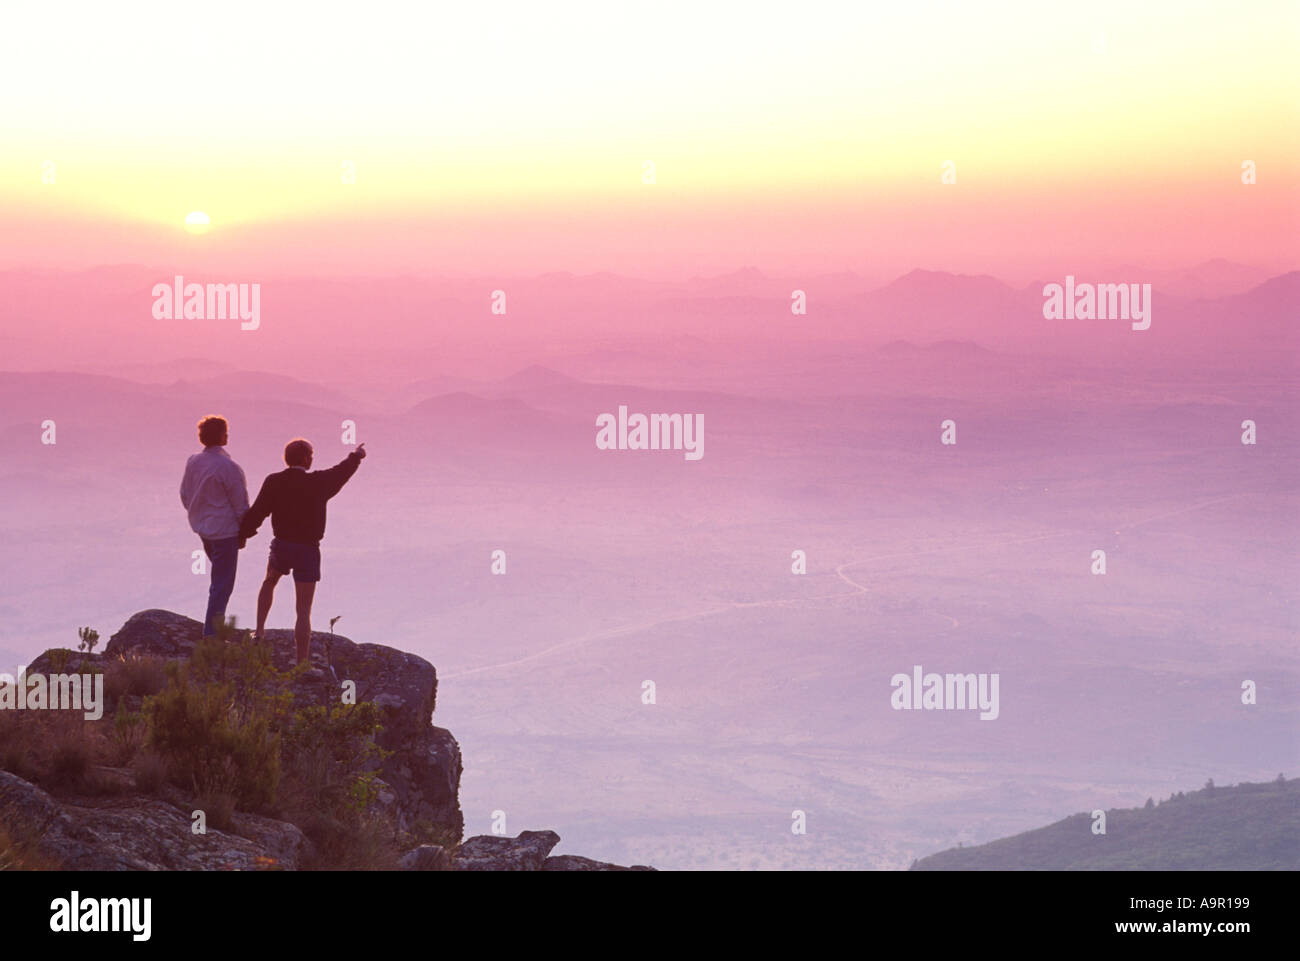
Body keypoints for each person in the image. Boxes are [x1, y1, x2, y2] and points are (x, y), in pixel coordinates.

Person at [240, 438, 366, 666]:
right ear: (306, 458)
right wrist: (355, 456)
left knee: (269, 582)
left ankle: (258, 633)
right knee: (303, 609)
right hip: (308, 549)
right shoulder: (318, 483)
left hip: (282, 545)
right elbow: (341, 473)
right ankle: (302, 663)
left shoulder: (274, 481)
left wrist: (242, 535)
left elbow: (257, 512)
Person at [180, 415, 250, 637]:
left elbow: (184, 494)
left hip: (204, 530)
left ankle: (212, 631)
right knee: (222, 585)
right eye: (225, 431)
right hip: (226, 533)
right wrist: (244, 533)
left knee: (218, 581)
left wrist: (198, 515)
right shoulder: (229, 467)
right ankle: (212, 635)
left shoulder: (193, 462)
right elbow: (241, 506)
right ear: (221, 436)